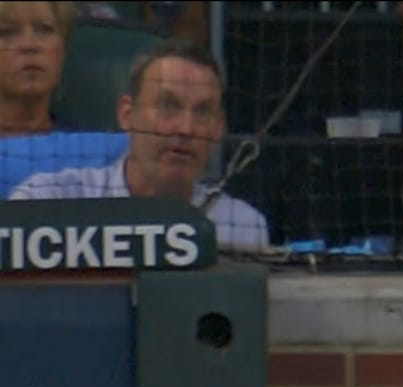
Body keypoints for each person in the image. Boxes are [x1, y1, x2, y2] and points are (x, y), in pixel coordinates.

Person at [9, 38, 268, 253]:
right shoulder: (45, 200)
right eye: (168, 106)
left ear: (218, 128)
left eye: (202, 112)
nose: (186, 128)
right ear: (127, 114)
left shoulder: (242, 226)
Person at [0, 1, 130, 197]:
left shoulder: (95, 155)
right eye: (7, 33)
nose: (30, 45)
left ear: (63, 50)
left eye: (44, 30)